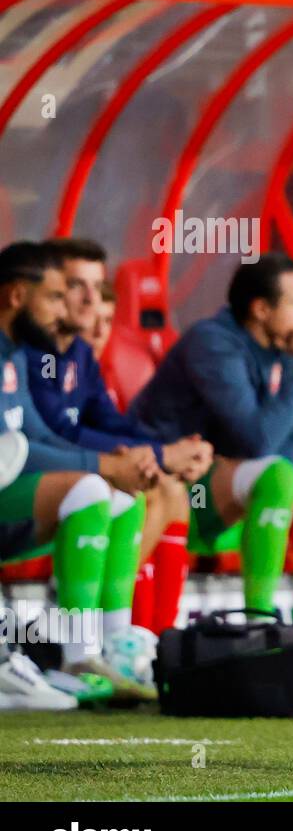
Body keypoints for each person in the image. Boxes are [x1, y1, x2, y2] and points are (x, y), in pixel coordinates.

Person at [130, 255, 293, 625]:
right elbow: (257, 442)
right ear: (260, 308)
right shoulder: (213, 343)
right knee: (275, 473)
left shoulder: (282, 347)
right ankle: (260, 619)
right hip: (168, 495)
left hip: (231, 490)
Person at [23, 238, 209, 638]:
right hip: (36, 478)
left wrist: (169, 451)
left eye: (97, 286)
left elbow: (109, 421)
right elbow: (57, 431)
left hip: (65, 471)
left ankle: (148, 636)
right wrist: (158, 455)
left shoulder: (76, 353)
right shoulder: (30, 352)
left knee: (165, 485)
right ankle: (92, 628)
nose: (91, 301)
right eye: (76, 286)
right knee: (138, 487)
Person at [0, 242, 153, 702]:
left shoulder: (15, 354)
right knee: (89, 488)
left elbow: (35, 436)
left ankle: (109, 643)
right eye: (52, 297)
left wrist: (121, 463)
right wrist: (100, 465)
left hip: (10, 491)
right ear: (15, 298)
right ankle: (76, 655)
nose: (62, 308)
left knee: (124, 496)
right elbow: (16, 448)